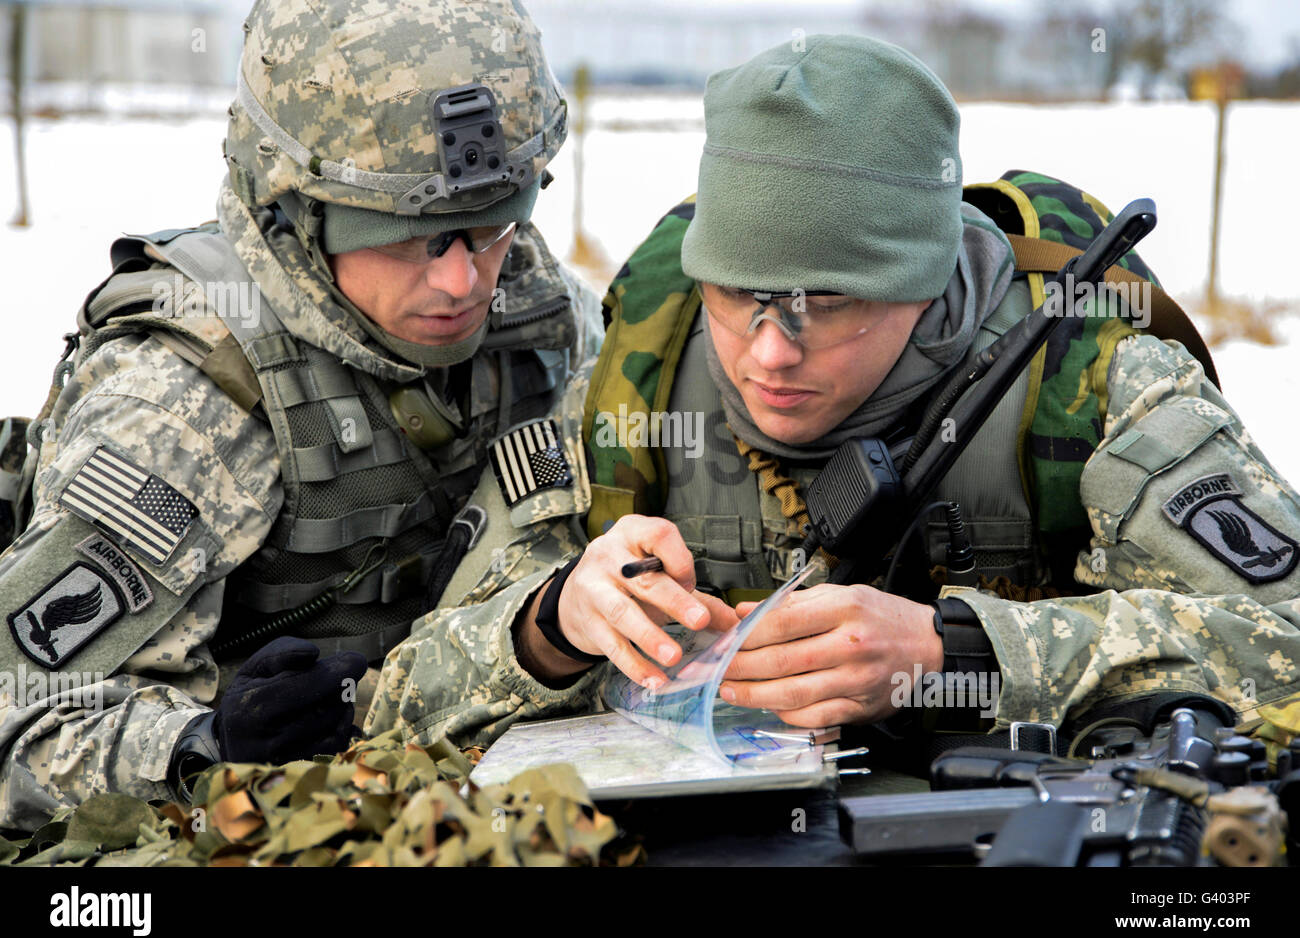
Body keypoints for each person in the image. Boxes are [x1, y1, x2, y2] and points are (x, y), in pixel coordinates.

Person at [367, 35, 1300, 763]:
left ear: (925, 281)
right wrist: (553, 626)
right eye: (738, 298)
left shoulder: (1087, 385)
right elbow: (396, 697)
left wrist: (963, 658)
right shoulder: (640, 380)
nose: (769, 353)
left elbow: (1284, 637)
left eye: (832, 304)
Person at [0, 0, 602, 830]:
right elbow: (23, 719)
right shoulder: (187, 396)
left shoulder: (541, 315)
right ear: (295, 219)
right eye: (410, 240)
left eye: (492, 227)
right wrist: (201, 747)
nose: (465, 283)